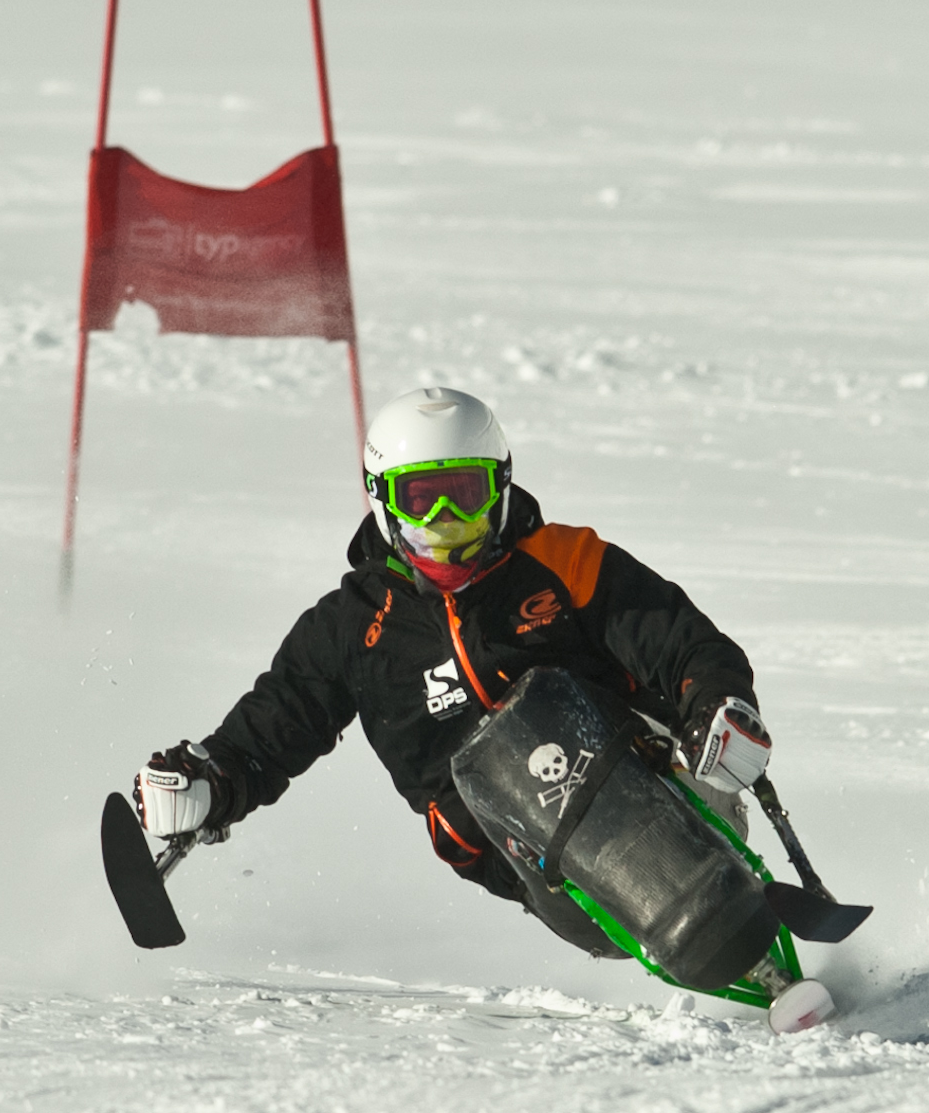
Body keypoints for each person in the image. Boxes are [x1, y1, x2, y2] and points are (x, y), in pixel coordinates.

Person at [132, 385, 773, 956]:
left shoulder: (564, 561)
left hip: (665, 789)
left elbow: (680, 640)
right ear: (384, 501)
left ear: (500, 487)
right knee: (500, 756)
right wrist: (210, 781)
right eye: (422, 499)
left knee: (545, 707)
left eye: (464, 494)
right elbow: (278, 723)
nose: (445, 523)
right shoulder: (354, 628)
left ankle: (729, 915)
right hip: (532, 857)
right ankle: (693, 925)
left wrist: (719, 706)